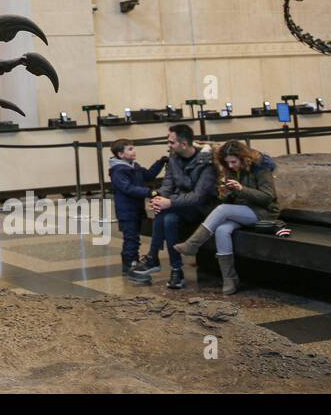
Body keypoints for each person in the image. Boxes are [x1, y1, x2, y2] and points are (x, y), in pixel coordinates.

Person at [175, 140, 280, 294]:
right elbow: (230, 199)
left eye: (233, 162)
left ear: (243, 158)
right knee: (222, 230)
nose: (231, 166)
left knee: (222, 210)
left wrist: (242, 189)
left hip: (263, 212)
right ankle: (230, 279)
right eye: (227, 162)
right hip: (242, 210)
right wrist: (225, 192)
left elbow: (268, 197)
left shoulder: (260, 167)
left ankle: (193, 244)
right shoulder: (230, 169)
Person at [129, 124, 217, 289]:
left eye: (171, 142)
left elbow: (199, 196)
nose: (168, 145)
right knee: (168, 218)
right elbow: (167, 185)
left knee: (167, 212)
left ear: (183, 144)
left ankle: (154, 258)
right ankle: (175, 269)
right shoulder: (173, 159)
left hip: (200, 209)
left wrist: (169, 202)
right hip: (178, 207)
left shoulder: (206, 163)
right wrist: (158, 199)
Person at [108, 139, 165, 275]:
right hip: (126, 211)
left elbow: (149, 175)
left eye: (133, 148)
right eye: (130, 149)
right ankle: (129, 264)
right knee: (131, 238)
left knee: (135, 237)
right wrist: (149, 192)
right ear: (121, 154)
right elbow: (128, 188)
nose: (134, 151)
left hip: (137, 209)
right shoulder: (118, 171)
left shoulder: (134, 166)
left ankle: (133, 260)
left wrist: (160, 162)